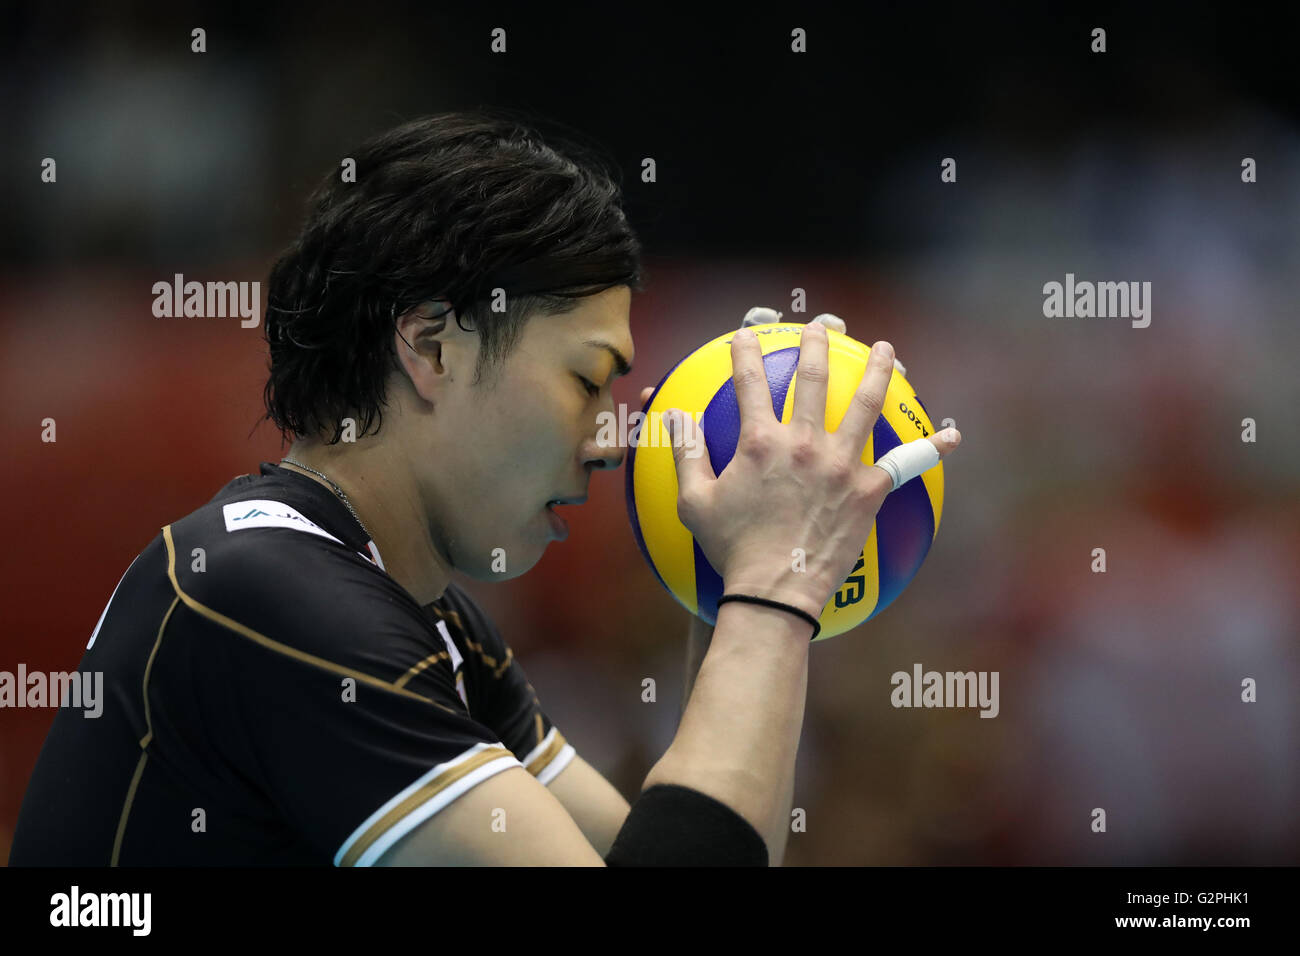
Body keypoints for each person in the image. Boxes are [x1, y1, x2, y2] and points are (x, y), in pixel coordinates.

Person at [8, 110, 961, 867]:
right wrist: (774, 584)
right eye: (589, 379)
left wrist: (724, 588)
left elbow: (667, 851)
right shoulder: (262, 596)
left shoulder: (438, 626)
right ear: (430, 347)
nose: (608, 442)